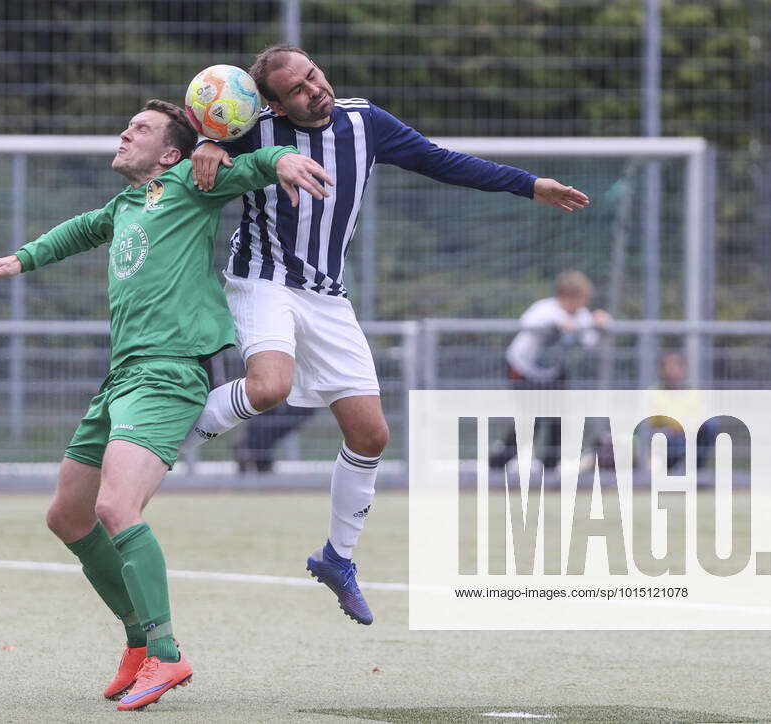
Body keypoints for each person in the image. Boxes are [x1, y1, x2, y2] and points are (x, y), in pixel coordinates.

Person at [177, 44, 590, 625]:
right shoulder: (255, 131)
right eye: (296, 90)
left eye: (313, 76)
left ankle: (337, 558)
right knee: (269, 386)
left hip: (327, 295)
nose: (314, 90)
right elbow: (193, 138)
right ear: (274, 105)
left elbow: (441, 160)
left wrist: (529, 185)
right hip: (262, 280)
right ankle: (157, 445)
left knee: (370, 434)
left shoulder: (364, 121)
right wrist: (206, 142)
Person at [0, 99, 330, 711]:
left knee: (116, 506)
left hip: (168, 372)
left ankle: (166, 653)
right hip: (123, 375)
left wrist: (283, 159)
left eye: (139, 128)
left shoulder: (192, 179)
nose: (124, 132)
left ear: (169, 152)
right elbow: (81, 229)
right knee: (67, 516)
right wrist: (23, 258)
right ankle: (140, 640)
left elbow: (252, 165)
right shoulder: (125, 204)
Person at [490, 270, 611, 470]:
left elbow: (592, 342)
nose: (584, 303)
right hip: (523, 370)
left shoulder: (581, 316)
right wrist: (554, 324)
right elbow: (526, 323)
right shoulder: (544, 309)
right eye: (581, 298)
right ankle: (497, 463)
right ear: (567, 296)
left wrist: (601, 325)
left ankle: (551, 467)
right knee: (531, 421)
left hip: (552, 372)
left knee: (559, 418)